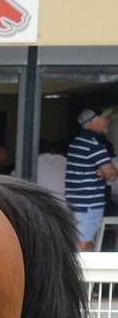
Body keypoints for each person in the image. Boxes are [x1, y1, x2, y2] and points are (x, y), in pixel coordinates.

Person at [66, 107, 116, 251]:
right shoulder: (94, 144)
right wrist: (113, 168)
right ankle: (79, 273)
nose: (107, 121)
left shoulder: (76, 142)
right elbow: (110, 174)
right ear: (94, 121)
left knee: (80, 239)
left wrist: (106, 169)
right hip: (89, 204)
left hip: (76, 201)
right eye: (104, 118)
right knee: (83, 243)